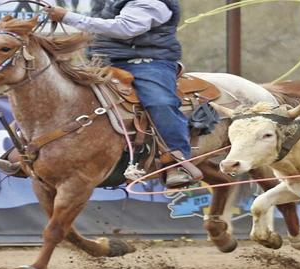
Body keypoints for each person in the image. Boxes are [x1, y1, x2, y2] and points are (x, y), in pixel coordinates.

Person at [21, 0, 203, 187]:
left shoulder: (151, 2)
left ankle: (177, 162)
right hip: (103, 62)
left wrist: (67, 16)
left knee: (160, 102)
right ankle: (25, 149)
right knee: (58, 93)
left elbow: (124, 28)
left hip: (147, 63)